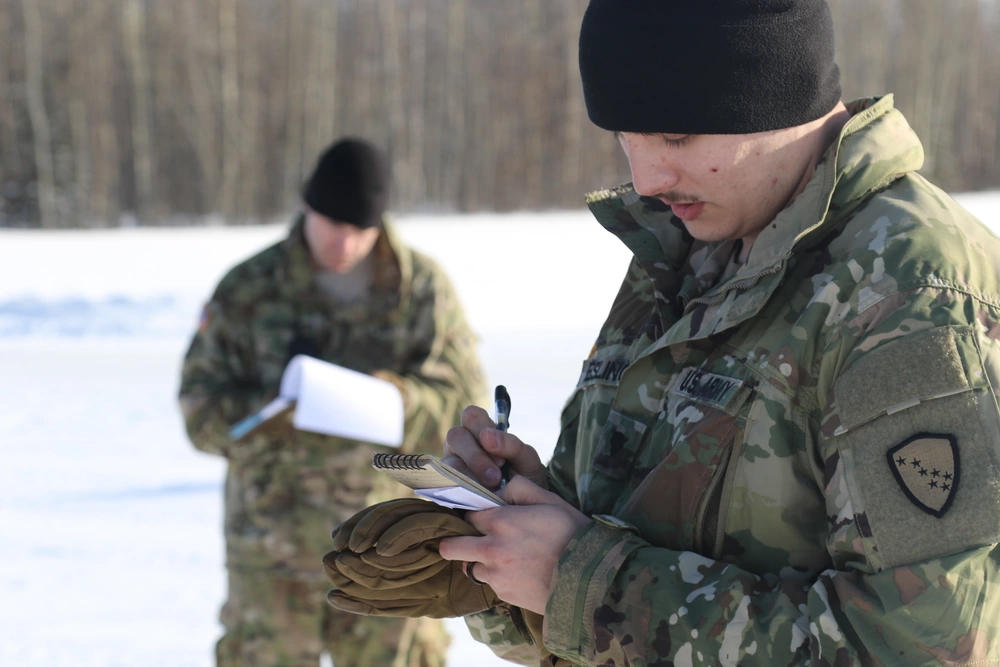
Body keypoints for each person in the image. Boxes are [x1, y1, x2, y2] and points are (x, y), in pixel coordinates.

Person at [323, 1, 1000, 665]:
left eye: (677, 137)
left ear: (775, 93)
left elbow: (927, 647)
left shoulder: (907, 288)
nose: (647, 178)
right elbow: (613, 577)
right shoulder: (684, 256)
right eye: (626, 136)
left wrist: (583, 582)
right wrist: (511, 532)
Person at [178, 137, 487, 666]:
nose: (344, 244)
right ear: (306, 208)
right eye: (332, 226)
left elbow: (466, 411)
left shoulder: (419, 290)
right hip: (271, 556)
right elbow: (201, 414)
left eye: (359, 230)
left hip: (391, 551)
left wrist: (396, 401)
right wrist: (273, 417)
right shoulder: (248, 289)